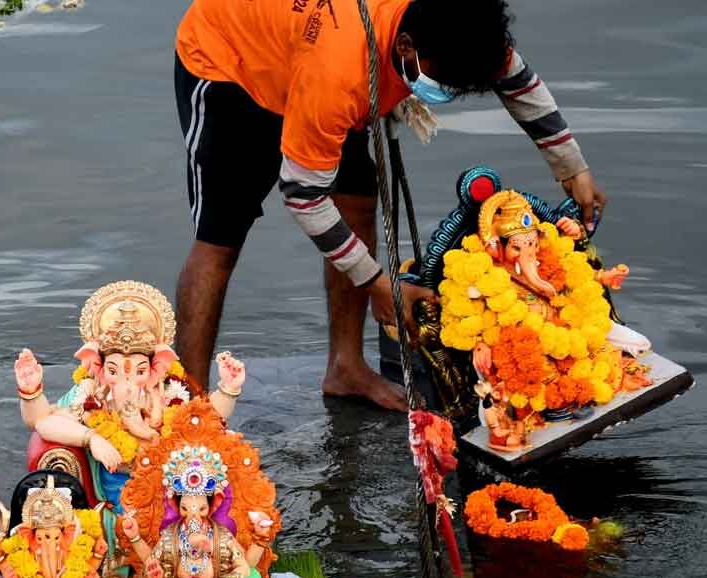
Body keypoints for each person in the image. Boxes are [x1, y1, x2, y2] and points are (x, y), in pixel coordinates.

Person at [172, 0, 608, 411]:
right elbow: (303, 195)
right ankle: (188, 407)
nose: (445, 91)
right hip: (232, 64)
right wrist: (380, 286)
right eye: (443, 81)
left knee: (358, 202)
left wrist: (572, 167)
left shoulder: (454, 23)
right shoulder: (339, 76)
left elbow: (513, 77)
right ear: (406, 47)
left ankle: (346, 368)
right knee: (220, 240)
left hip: (327, 59)